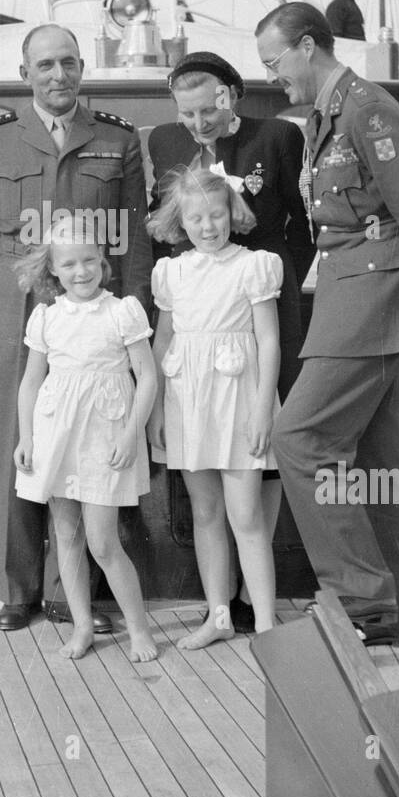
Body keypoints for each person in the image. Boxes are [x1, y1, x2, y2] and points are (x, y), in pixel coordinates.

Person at [256, 2, 399, 648]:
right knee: (381, 465)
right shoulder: (327, 114)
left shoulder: (366, 109)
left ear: (310, 44)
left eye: (275, 62)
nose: (272, 78)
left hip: (372, 299)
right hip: (351, 295)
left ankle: (362, 598)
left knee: (296, 437)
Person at [0, 23, 152, 633]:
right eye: (45, 65)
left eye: (68, 63)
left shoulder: (115, 140)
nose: (58, 75)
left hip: (96, 312)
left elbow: (136, 239)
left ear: (82, 68)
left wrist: (136, 317)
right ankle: (17, 589)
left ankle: (77, 596)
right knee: (26, 439)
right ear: (25, 75)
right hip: (19, 308)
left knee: (95, 440)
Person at [148, 50, 314, 631]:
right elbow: (164, 217)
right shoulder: (165, 143)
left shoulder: (276, 138)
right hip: (195, 305)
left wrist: (275, 274)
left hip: (264, 298)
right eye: (187, 113)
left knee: (258, 444)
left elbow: (302, 222)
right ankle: (225, 598)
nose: (198, 124)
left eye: (208, 109)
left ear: (231, 95)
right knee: (209, 480)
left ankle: (252, 596)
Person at [146, 167, 282, 649]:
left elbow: (268, 341)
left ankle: (265, 624)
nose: (208, 227)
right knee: (206, 514)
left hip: (239, 399)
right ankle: (219, 616)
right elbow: (163, 340)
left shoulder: (254, 265)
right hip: (189, 400)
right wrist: (158, 410)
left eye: (217, 215)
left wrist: (264, 409)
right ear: (181, 220)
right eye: (197, 218)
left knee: (246, 516)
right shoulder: (172, 271)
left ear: (232, 212)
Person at [13, 235, 159, 662]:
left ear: (102, 261)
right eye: (70, 264)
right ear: (54, 270)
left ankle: (138, 630)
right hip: (57, 436)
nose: (82, 272)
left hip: (106, 437)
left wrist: (133, 433)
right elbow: (30, 383)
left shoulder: (121, 312)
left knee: (102, 541)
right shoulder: (46, 317)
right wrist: (27, 436)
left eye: (89, 261)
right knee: (67, 536)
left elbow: (147, 378)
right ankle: (81, 628)